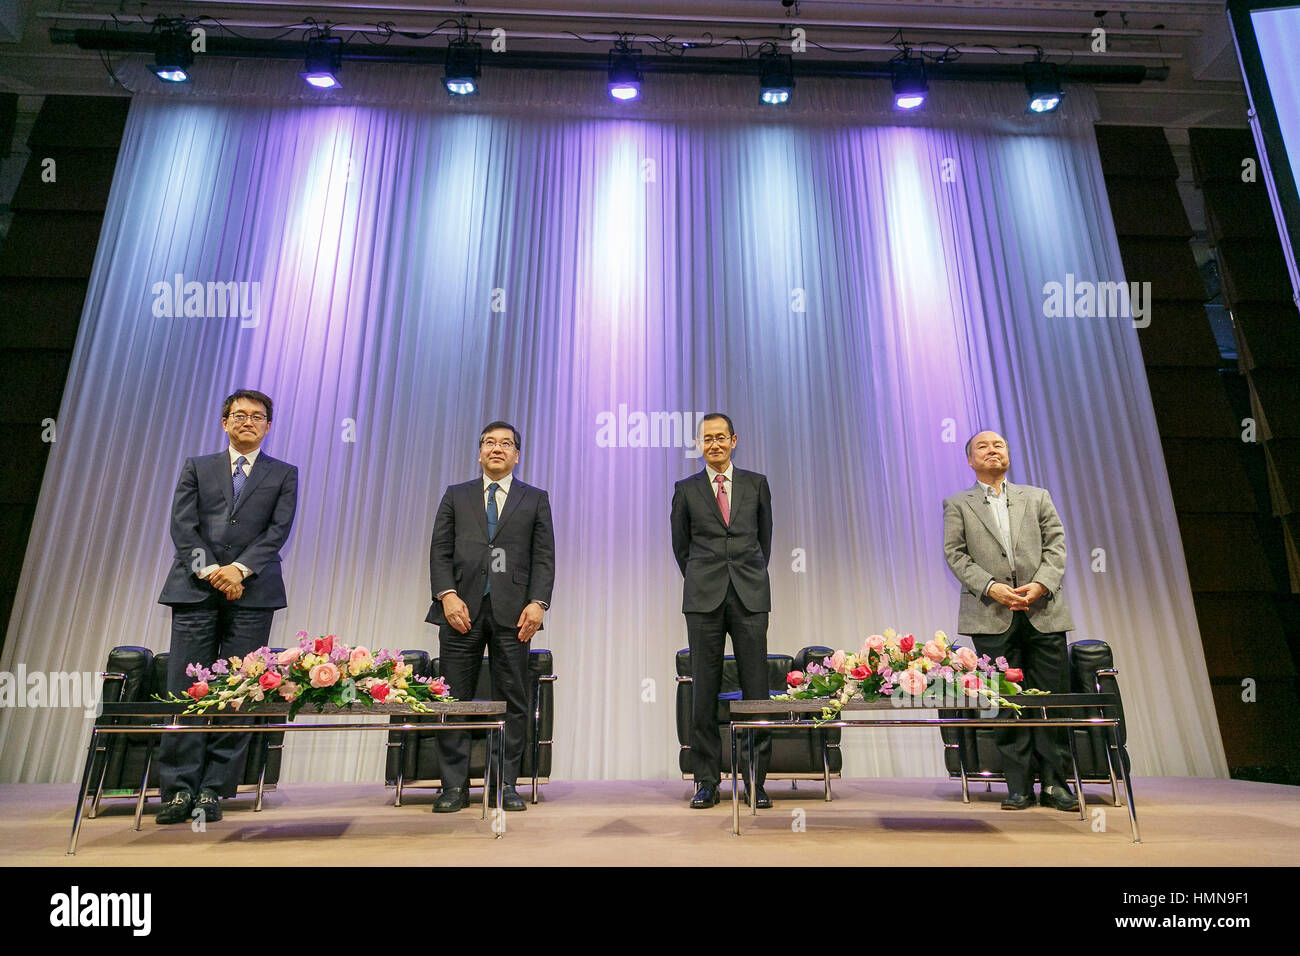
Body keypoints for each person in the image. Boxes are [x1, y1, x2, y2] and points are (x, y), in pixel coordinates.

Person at [156, 388, 298, 824]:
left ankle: (215, 789)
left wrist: (238, 570)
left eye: (257, 416)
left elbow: (277, 531)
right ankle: (178, 791)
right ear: (224, 422)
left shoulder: (283, 473)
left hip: (253, 594)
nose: (248, 421)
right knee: (187, 688)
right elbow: (184, 525)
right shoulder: (197, 467)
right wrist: (211, 571)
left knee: (238, 690)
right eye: (239, 415)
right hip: (195, 589)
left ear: (268, 426)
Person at [942, 430, 1079, 811]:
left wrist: (1041, 585)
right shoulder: (958, 504)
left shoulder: (1037, 497)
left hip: (1043, 611)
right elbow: (955, 555)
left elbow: (1057, 545)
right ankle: (1018, 786)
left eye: (999, 445)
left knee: (1050, 699)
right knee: (1005, 702)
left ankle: (1056, 784)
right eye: (983, 447)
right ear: (970, 460)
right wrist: (991, 587)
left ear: (1008, 455)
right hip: (991, 615)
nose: (992, 451)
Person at [426, 421, 555, 812]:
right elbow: (439, 551)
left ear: (517, 454)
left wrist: (538, 603)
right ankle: (453, 787)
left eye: (505, 444)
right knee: (453, 698)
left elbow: (543, 557)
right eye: (489, 443)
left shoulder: (534, 498)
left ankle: (505, 784)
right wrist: (447, 595)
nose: (496, 448)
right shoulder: (456, 494)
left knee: (511, 699)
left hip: (515, 613)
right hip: (459, 611)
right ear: (479, 451)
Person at [671, 413, 773, 809]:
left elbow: (765, 541)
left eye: (721, 437)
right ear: (699, 444)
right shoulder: (686, 489)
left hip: (750, 596)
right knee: (704, 691)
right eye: (706, 438)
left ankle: (755, 781)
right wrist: (702, 577)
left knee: (757, 692)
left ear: (734, 440)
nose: (714, 444)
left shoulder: (756, 484)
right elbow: (681, 547)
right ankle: (707, 781)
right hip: (703, 598)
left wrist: (747, 575)